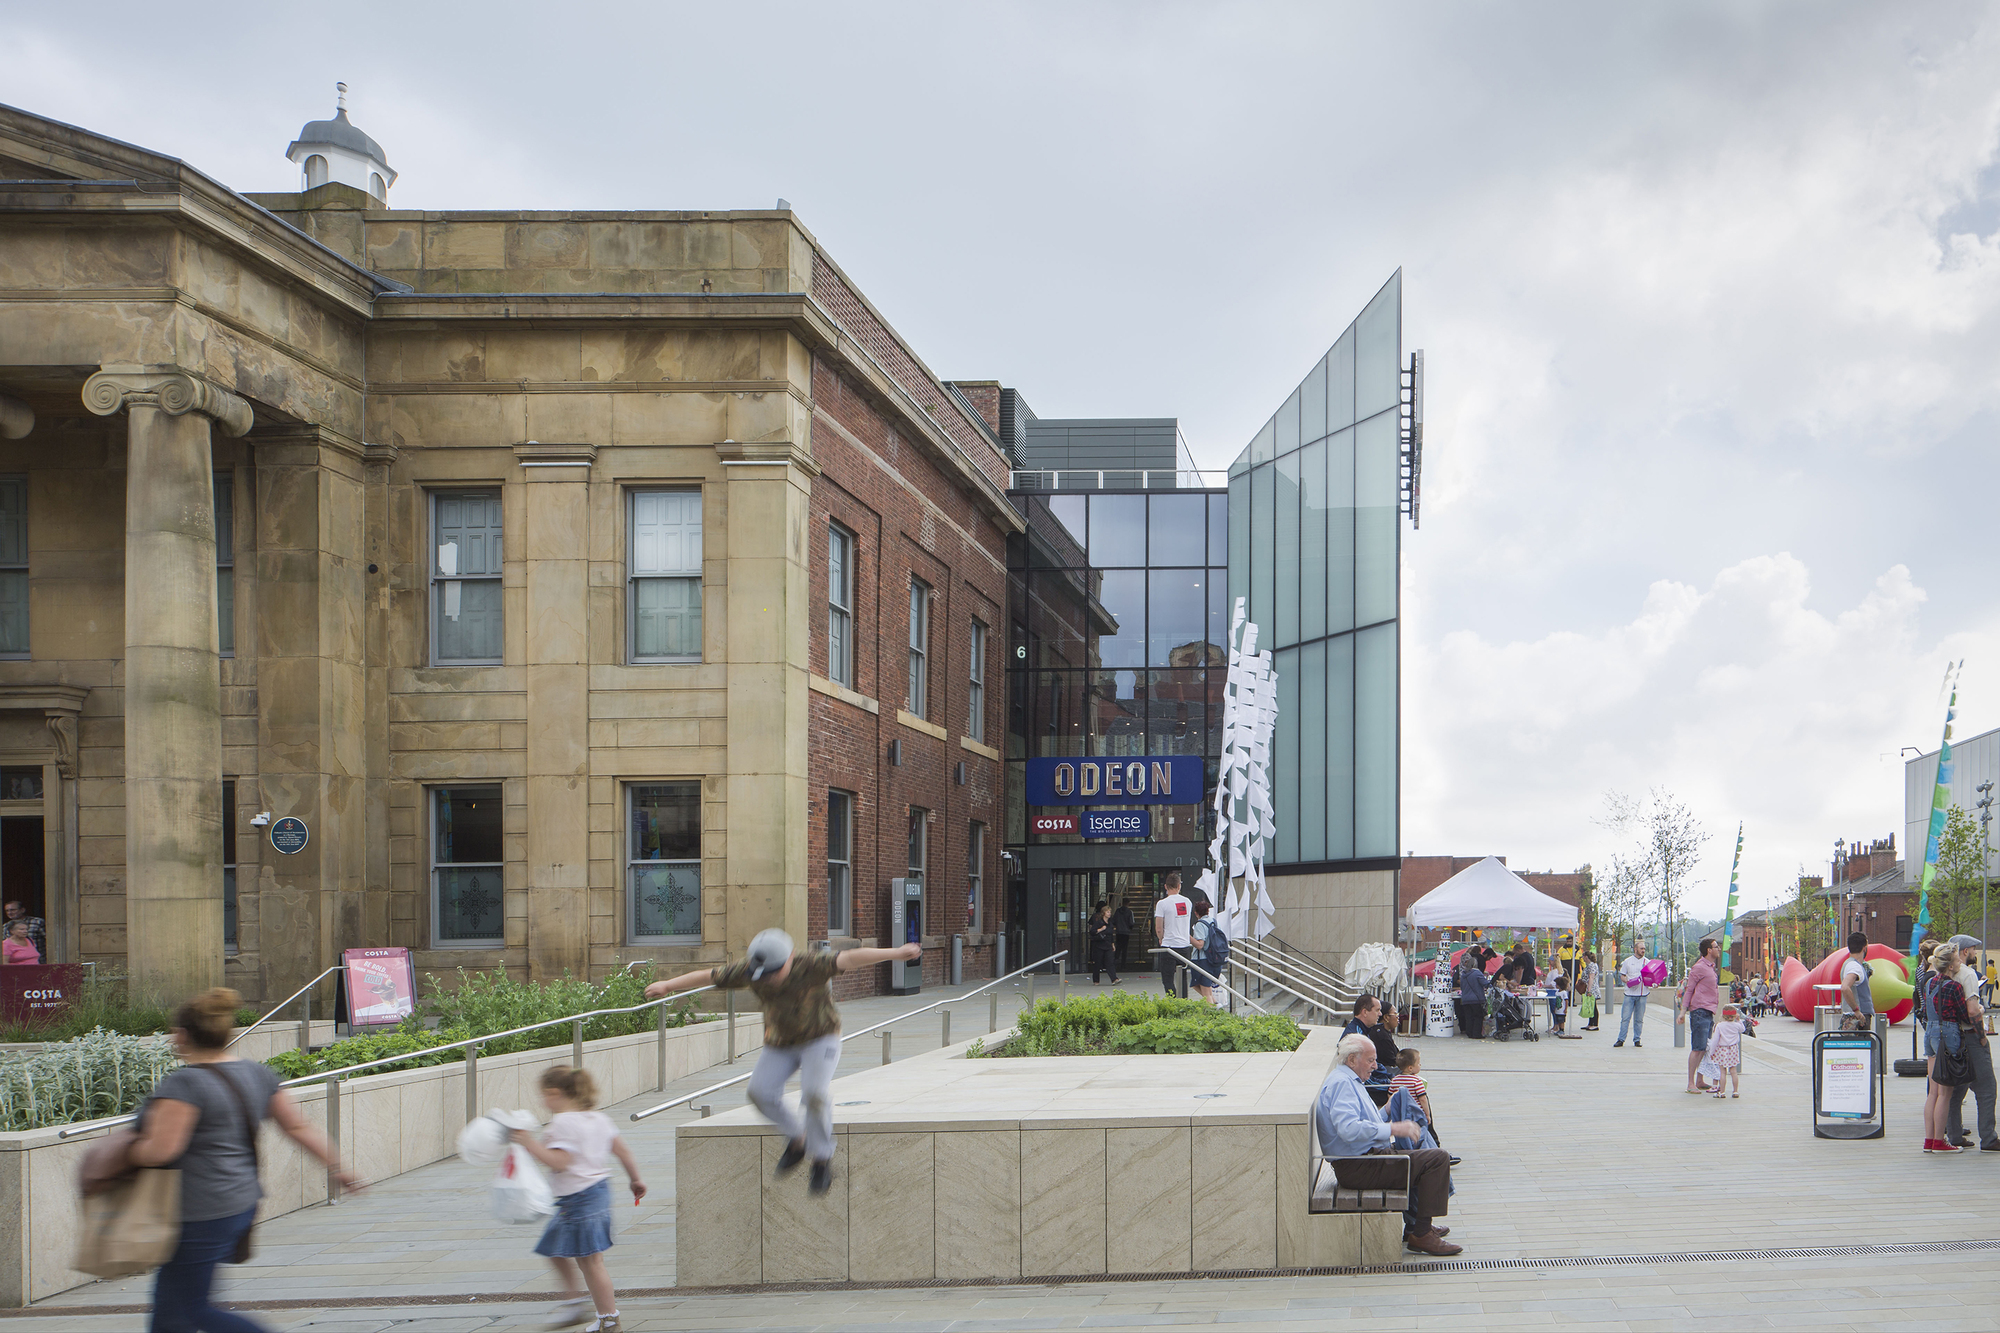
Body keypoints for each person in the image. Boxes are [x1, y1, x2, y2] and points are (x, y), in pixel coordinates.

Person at [84, 987, 360, 1333]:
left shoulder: (185, 1084)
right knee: (171, 1311)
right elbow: (298, 1126)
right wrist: (338, 1167)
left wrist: (121, 1148)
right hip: (238, 1202)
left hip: (198, 1210)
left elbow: (161, 1150)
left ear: (182, 1035)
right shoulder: (255, 1072)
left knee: (191, 1308)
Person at [645, 928, 918, 1192]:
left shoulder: (811, 964)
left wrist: (896, 953)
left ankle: (821, 1159)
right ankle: (797, 1139)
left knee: (813, 1094)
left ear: (789, 958)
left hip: (820, 1038)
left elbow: (850, 958)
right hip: (780, 1043)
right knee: (759, 1092)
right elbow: (709, 976)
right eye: (762, 975)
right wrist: (668, 985)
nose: (768, 979)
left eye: (775, 972)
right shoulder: (749, 971)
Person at [511, 1065, 646, 1333]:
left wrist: (530, 1144)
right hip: (595, 1193)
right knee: (553, 1248)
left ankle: (608, 1318)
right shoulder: (598, 1119)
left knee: (591, 1263)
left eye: (543, 1095)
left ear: (554, 1093)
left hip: (578, 1200)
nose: (542, 1102)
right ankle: (576, 1303)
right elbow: (622, 1151)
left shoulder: (562, 1123)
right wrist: (635, 1179)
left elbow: (560, 1162)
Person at [1314, 1032, 1460, 1256]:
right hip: (1358, 1166)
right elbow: (1349, 1129)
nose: (1375, 1065)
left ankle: (1416, 1227)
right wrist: (1394, 1128)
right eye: (1370, 1060)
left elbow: (1362, 1124)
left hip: (1364, 1160)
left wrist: (1387, 1111)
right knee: (1437, 1159)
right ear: (1352, 1059)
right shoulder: (1342, 1084)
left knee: (1422, 1155)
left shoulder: (1347, 1080)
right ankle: (1420, 1234)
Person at [1940, 943, 1996, 1153]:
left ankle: (1954, 1135)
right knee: (1987, 1088)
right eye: (1973, 949)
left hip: (1950, 1037)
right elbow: (1972, 1010)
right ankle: (1989, 1138)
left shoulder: (1939, 976)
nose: (1974, 953)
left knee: (1956, 1089)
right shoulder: (1967, 974)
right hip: (1970, 1035)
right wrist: (1982, 1037)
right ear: (1964, 952)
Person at [1679, 938, 1721, 1093]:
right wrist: (1683, 1012)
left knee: (1704, 1048)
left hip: (1709, 1011)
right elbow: (1689, 990)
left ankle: (1700, 1080)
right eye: (1716, 947)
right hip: (1699, 1011)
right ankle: (1690, 1083)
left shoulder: (1710, 967)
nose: (1719, 949)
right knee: (1697, 1048)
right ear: (1709, 950)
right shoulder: (1699, 967)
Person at [1153, 871, 1193, 994]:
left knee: (1168, 978)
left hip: (1169, 945)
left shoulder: (1162, 903)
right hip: (1185, 945)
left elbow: (1159, 927)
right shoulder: (1187, 902)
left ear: (1165, 886)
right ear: (1179, 886)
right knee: (1183, 978)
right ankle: (1184, 1001)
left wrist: (1160, 937)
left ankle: (1173, 1001)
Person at [1342, 994, 1399, 1083]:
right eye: (1377, 1010)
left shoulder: (1363, 1030)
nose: (1380, 1014)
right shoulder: (1356, 1036)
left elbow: (1374, 1064)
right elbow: (1363, 1078)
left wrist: (1389, 1076)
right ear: (1365, 1012)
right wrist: (1389, 1084)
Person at [1186, 889, 1226, 1003]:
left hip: (1202, 960)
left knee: (1205, 989)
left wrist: (1187, 937)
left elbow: (1200, 944)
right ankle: (1215, 1003)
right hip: (1213, 958)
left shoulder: (1200, 924)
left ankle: (1212, 1011)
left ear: (1196, 913)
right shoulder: (1213, 921)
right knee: (1201, 987)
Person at [1615, 939, 1651, 1048]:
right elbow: (1622, 975)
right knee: (1625, 1018)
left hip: (1642, 994)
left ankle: (1637, 1039)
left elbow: (1651, 977)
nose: (1643, 950)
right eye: (1641, 948)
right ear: (1635, 949)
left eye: (1644, 949)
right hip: (1629, 994)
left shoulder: (1647, 962)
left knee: (1639, 1019)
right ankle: (1621, 1039)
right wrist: (1627, 981)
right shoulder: (1627, 961)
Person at [1838, 931, 1875, 1034]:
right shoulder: (1854, 967)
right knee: (1861, 1048)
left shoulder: (1849, 964)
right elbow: (1845, 988)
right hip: (1858, 1020)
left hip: (1851, 1017)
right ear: (1864, 947)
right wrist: (1857, 1011)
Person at [1708, 1004, 1747, 1099]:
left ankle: (1722, 1092)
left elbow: (1715, 1040)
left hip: (1722, 1049)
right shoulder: (1736, 1025)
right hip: (1733, 1049)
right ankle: (1735, 1091)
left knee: (1722, 1072)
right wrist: (1739, 1020)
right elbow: (1743, 1029)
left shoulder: (1720, 1026)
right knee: (1733, 1071)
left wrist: (1711, 1052)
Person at [1455, 950, 1488, 1039]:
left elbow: (1462, 986)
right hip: (1476, 999)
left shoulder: (1463, 975)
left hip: (1465, 999)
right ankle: (1476, 1034)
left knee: (1468, 1017)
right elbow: (1485, 983)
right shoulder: (1477, 973)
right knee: (1478, 1016)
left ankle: (1469, 1032)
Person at [1088, 903, 1119, 985]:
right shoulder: (1099, 923)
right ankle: (1096, 980)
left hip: (1108, 945)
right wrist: (1101, 929)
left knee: (1110, 962)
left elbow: (1111, 934)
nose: (1109, 913)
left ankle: (1114, 979)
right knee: (1097, 963)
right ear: (1103, 913)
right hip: (1099, 945)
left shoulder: (1110, 923)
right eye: (1108, 912)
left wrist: (1112, 944)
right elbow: (1092, 932)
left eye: (1110, 912)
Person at [1111, 897, 1135, 970]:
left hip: (1118, 932)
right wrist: (1130, 928)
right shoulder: (1129, 912)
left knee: (1118, 947)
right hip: (1126, 932)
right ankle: (1123, 965)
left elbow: (1113, 921)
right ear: (1128, 903)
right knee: (1125, 949)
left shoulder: (1117, 911)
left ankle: (1115, 962)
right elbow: (1131, 922)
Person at [1581, 956, 1602, 1031]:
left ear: (1586, 957)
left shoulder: (1592, 966)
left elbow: (1591, 977)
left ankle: (1595, 1024)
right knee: (1591, 1006)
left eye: (1583, 957)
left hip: (1592, 989)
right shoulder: (1588, 965)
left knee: (1593, 1006)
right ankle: (1590, 1023)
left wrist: (1589, 990)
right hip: (1589, 988)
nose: (1582, 959)